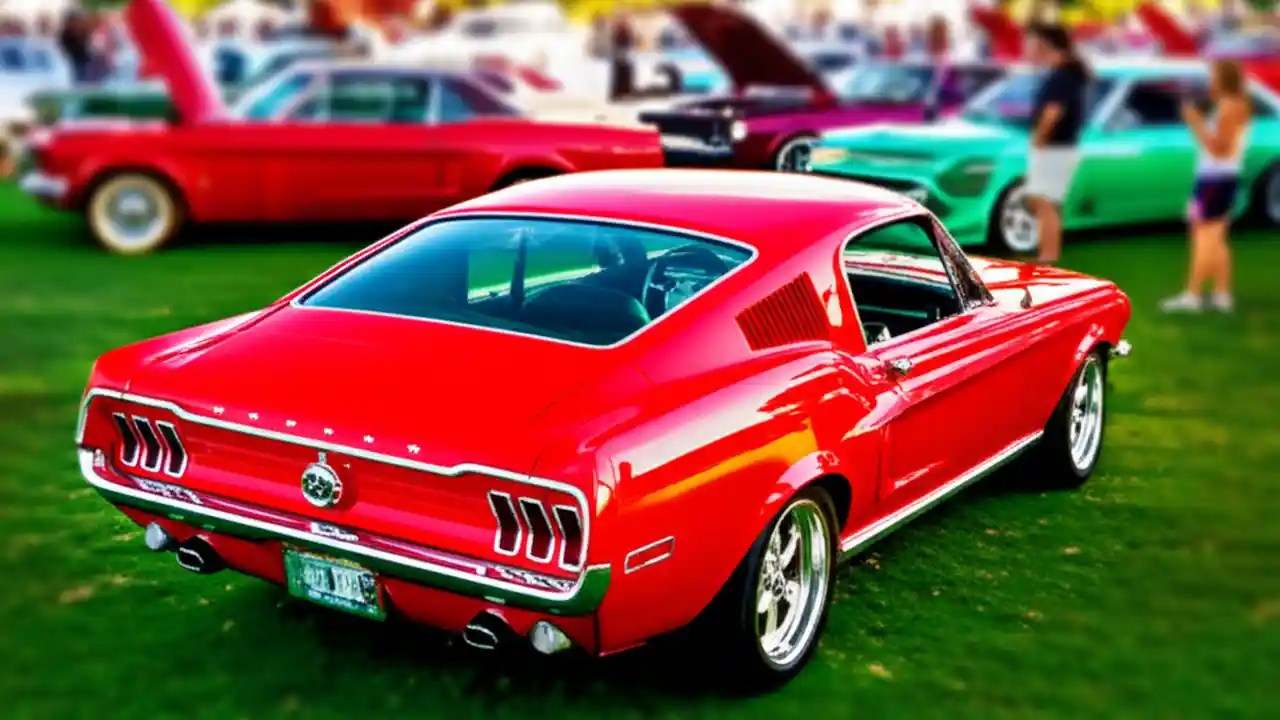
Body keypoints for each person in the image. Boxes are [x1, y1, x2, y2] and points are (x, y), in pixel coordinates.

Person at [1160, 60, 1252, 314]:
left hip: (1215, 179)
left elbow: (1219, 149)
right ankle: (1222, 294)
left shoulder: (1230, 106)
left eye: (1213, 76)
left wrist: (1194, 122)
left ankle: (1193, 295)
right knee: (1215, 238)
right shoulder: (1233, 105)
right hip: (1220, 178)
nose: (1209, 81)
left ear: (1223, 78)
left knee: (1204, 237)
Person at [1025, 23, 1089, 265]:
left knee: (1044, 201)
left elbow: (1052, 113)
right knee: (1045, 201)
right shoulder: (1066, 74)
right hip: (1061, 147)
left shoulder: (1061, 76)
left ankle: (1047, 257)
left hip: (1054, 148)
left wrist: (1038, 140)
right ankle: (1047, 253)